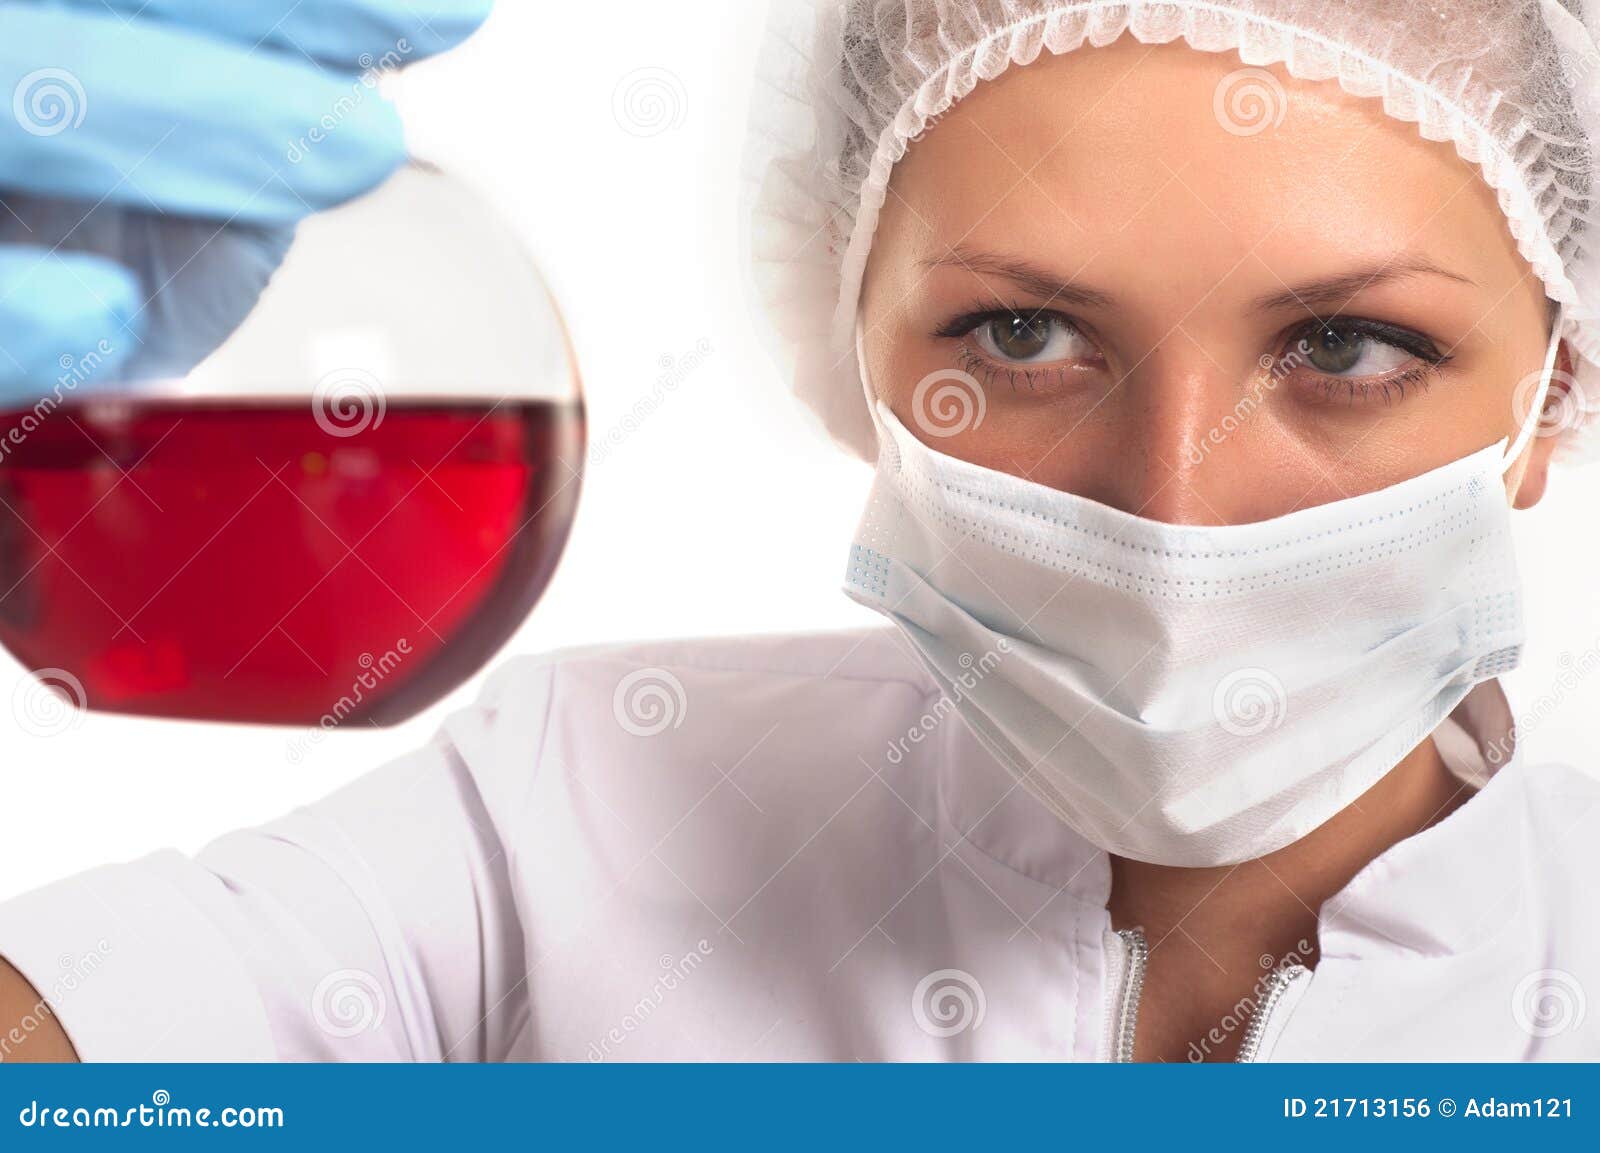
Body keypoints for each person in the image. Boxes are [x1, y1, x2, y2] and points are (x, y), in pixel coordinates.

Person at [2, 0, 1598, 1062]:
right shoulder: (567, 813)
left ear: (1556, 388)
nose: (1173, 505)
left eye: (1344, 350)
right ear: (857, 353)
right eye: (1026, 335)